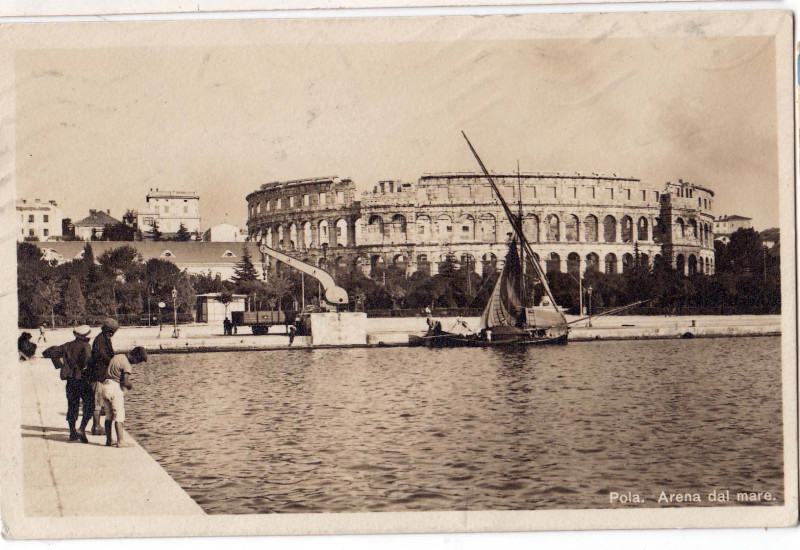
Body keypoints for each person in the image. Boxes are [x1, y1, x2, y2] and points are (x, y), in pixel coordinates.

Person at [42, 325, 93, 442]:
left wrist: (61, 365)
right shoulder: (86, 346)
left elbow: (49, 352)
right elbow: (87, 361)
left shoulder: (67, 345)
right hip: (83, 380)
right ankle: (82, 428)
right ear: (86, 336)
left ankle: (72, 432)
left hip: (71, 380)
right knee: (89, 405)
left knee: (72, 405)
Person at [98, 346, 147, 448]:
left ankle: (109, 440)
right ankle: (121, 441)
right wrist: (130, 386)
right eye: (138, 361)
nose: (136, 363)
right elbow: (125, 381)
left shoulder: (117, 357)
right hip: (115, 388)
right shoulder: (127, 364)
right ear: (135, 356)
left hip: (105, 386)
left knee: (108, 416)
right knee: (119, 416)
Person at [89, 318, 118, 436]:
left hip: (101, 375)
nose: (113, 334)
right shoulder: (100, 340)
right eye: (112, 332)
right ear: (108, 331)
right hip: (97, 375)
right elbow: (102, 356)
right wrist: (113, 361)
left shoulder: (104, 339)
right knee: (97, 402)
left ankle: (96, 425)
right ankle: (96, 426)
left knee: (99, 402)